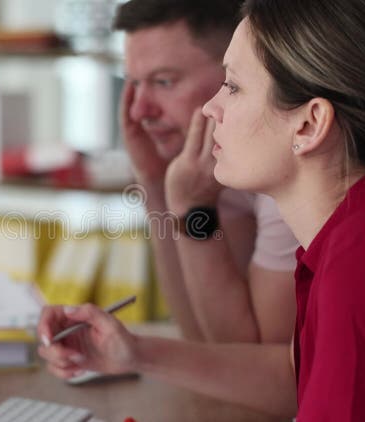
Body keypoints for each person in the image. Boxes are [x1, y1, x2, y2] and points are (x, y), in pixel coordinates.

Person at [39, 0, 365, 419]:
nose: (213, 106)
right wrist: (132, 352)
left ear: (308, 124)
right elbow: (299, 375)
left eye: (233, 86)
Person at [115, 0, 299, 344]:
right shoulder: (210, 164)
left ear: (236, 70)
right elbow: (200, 334)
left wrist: (191, 208)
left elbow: (253, 360)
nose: (139, 110)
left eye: (164, 81)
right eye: (135, 84)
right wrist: (155, 183)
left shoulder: (286, 165)